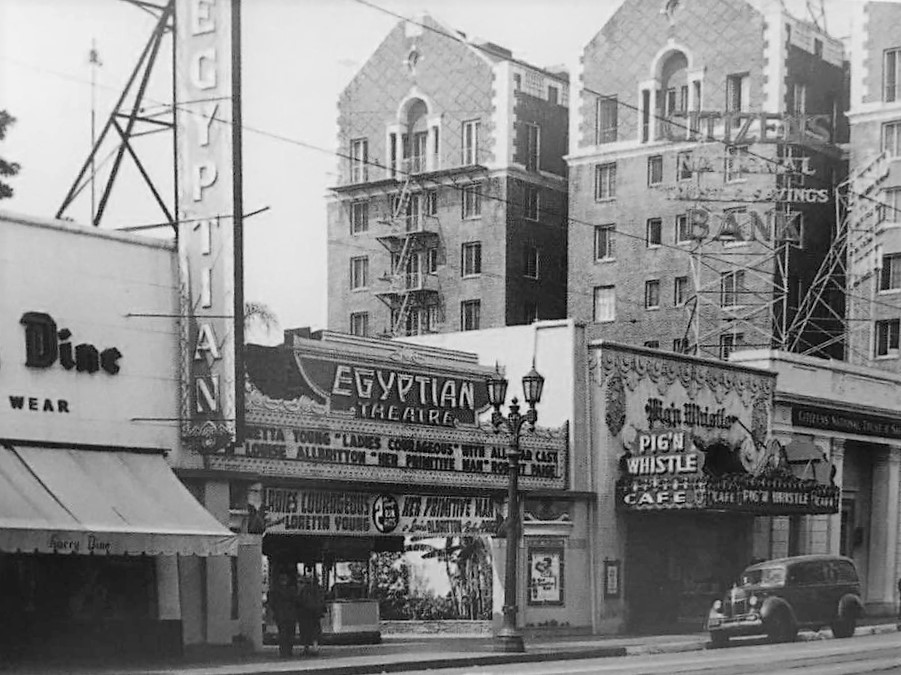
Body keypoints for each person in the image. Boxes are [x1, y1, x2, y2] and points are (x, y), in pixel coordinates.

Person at [269, 572, 299, 658]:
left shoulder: (275, 591)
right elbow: (296, 601)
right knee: (288, 633)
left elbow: (272, 603)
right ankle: (288, 650)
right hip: (288, 615)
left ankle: (284, 651)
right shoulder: (291, 590)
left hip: (282, 615)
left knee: (284, 633)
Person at [297, 576, 325, 655]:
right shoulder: (318, 589)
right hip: (315, 615)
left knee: (305, 631)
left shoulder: (303, 590)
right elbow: (321, 601)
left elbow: (300, 601)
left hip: (305, 614)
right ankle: (315, 648)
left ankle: (306, 648)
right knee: (315, 632)